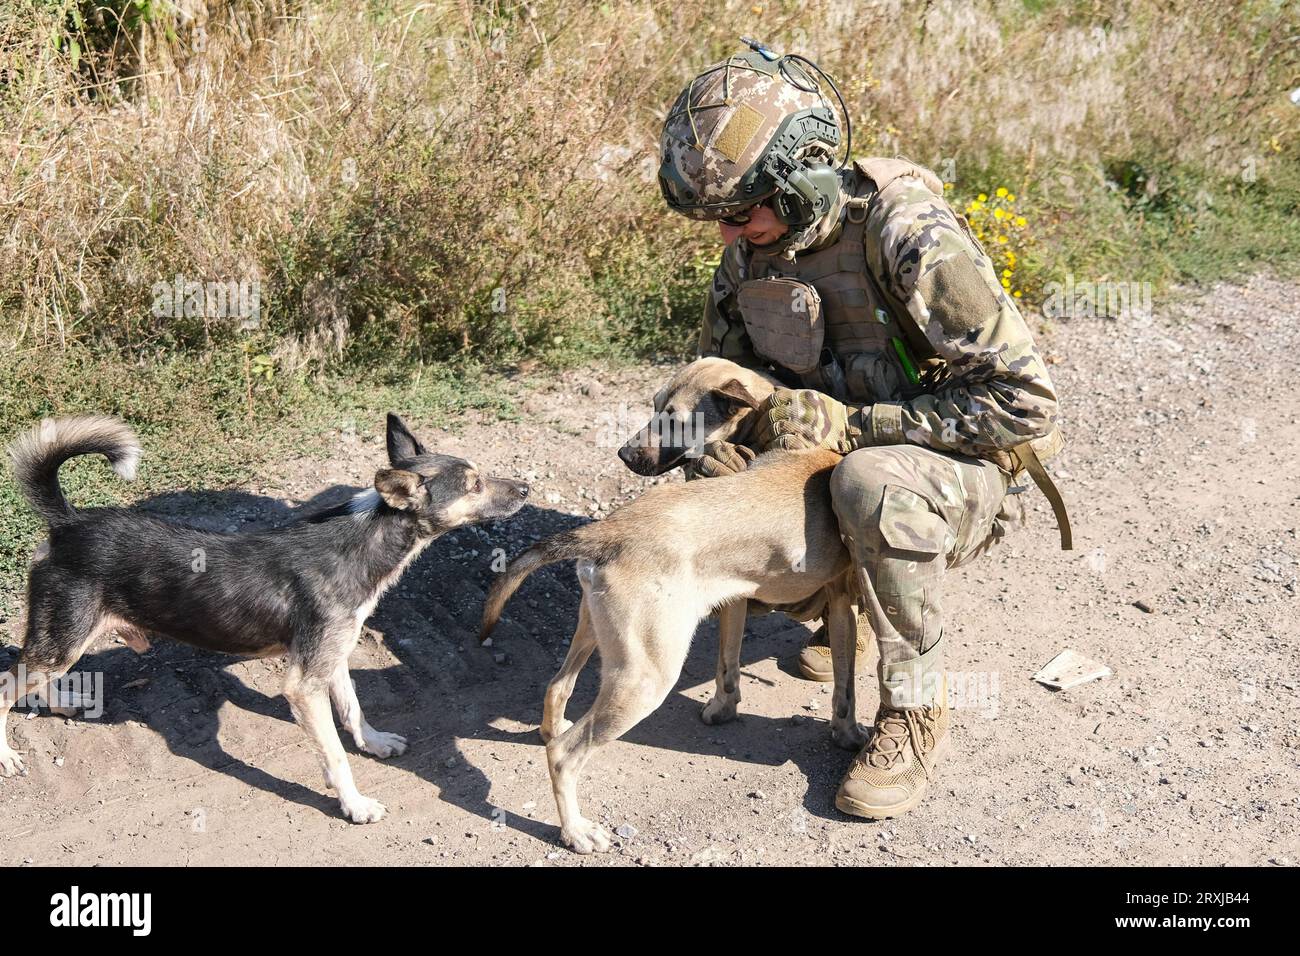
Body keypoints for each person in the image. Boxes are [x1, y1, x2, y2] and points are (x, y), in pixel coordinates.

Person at [656, 41, 1069, 819]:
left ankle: (916, 708)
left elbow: (1025, 401)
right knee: (708, 453)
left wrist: (857, 428)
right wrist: (716, 457)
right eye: (717, 219)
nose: (727, 236)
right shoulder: (752, 251)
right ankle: (833, 597)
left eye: (741, 214)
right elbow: (723, 382)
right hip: (833, 453)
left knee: (868, 482)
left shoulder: (904, 231)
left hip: (954, 469)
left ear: (802, 178)